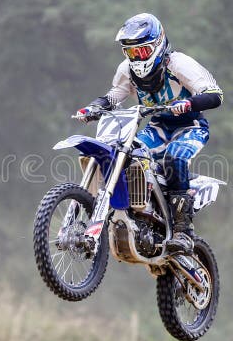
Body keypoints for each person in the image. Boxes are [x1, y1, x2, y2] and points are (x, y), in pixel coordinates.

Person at [76, 13, 223, 255]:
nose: (136, 58)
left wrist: (189, 104)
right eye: (131, 53)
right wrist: (93, 107)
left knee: (174, 158)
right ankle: (139, 211)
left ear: (158, 44)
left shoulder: (178, 64)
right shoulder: (127, 70)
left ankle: (183, 232)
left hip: (190, 126)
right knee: (126, 153)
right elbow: (115, 96)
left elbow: (215, 94)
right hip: (157, 127)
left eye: (142, 52)